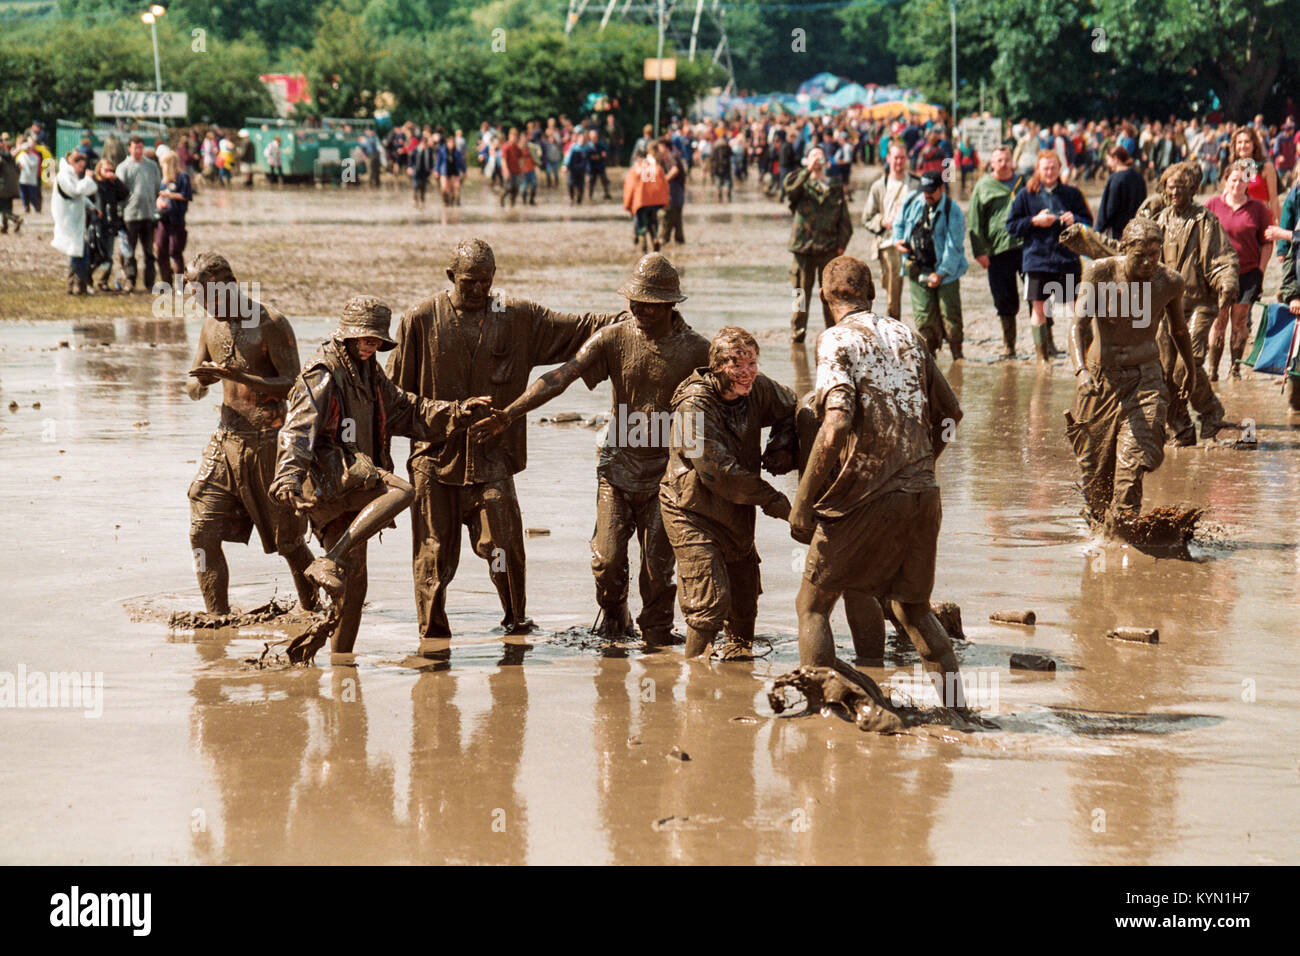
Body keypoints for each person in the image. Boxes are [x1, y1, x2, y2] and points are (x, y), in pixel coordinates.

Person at [386, 239, 621, 643]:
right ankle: (433, 638)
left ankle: (516, 627)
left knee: (505, 550)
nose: (478, 289)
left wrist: (636, 317)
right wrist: (386, 463)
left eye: (485, 281)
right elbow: (391, 401)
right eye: (468, 281)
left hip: (492, 459)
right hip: (432, 460)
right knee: (433, 555)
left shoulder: (516, 317)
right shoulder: (420, 320)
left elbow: (583, 328)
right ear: (449, 277)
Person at [470, 254, 709, 644]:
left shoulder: (697, 350)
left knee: (657, 570)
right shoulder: (614, 336)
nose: (636, 308)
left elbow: (738, 388)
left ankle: (657, 643)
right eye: (633, 300)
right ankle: (615, 617)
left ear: (669, 305)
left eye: (647, 302)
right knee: (608, 561)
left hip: (667, 476)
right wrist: (509, 415)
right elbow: (559, 377)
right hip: (617, 469)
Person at [271, 296, 491, 661]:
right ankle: (330, 564)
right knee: (402, 490)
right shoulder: (322, 372)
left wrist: (458, 411)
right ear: (348, 336)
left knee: (355, 582)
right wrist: (288, 477)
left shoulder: (370, 372)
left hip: (355, 479)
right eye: (367, 339)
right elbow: (297, 428)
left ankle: (340, 663)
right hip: (329, 480)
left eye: (377, 341)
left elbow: (408, 410)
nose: (372, 346)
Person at [789, 255, 967, 708]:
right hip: (923, 494)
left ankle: (825, 710)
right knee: (913, 609)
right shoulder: (908, 334)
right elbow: (951, 415)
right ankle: (959, 712)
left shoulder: (835, 340)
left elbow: (836, 423)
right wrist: (921, 462)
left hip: (865, 494)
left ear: (827, 297)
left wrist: (803, 502)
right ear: (872, 292)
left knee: (812, 605)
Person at [183, 252, 317, 617]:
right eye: (198, 300)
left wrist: (238, 377)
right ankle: (217, 619)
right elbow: (193, 389)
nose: (206, 307)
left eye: (210, 297)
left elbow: (294, 385)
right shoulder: (211, 327)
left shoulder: (271, 323)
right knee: (201, 532)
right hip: (225, 441)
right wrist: (202, 382)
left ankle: (314, 613)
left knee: (289, 541)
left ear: (229, 286)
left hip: (271, 444)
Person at [660, 326, 797, 658]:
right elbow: (717, 473)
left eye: (752, 363)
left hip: (735, 512)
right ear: (717, 366)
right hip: (690, 512)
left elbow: (793, 406)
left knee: (744, 602)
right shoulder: (693, 406)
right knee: (707, 604)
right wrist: (777, 502)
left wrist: (782, 446)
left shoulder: (757, 389)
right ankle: (695, 679)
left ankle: (739, 681)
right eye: (737, 364)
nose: (747, 373)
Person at [1065, 219, 1196, 528]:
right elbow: (1078, 327)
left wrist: (1190, 369)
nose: (1151, 262)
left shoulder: (1169, 281)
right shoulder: (1100, 272)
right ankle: (1100, 530)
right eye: (1143, 255)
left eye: (1156, 253)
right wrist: (1080, 371)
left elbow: (1178, 329)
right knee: (1093, 469)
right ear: (1124, 250)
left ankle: (1126, 526)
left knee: (1133, 456)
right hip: (1101, 378)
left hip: (1145, 377)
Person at [1138, 161, 1236, 444]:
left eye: (1180, 187)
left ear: (1192, 189)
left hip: (1199, 303)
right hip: (1166, 307)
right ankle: (1180, 426)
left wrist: (1226, 281)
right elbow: (1135, 258)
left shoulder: (1205, 220)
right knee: (1163, 370)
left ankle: (1210, 411)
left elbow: (1221, 259)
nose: (1174, 192)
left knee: (1188, 363)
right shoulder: (1159, 222)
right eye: (1170, 187)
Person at [1006, 150, 1092, 361]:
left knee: (1078, 307)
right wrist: (1034, 221)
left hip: (1068, 259)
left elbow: (1089, 223)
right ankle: (1042, 358)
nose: (1050, 172)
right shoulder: (1025, 195)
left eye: (1054, 167)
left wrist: (1075, 220)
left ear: (1060, 168)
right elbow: (1011, 226)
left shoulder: (1072, 194)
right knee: (1038, 307)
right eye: (1045, 168)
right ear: (1038, 169)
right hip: (1037, 260)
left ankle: (1085, 356)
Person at [1205, 160, 1272, 380]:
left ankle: (1235, 369)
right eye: (1233, 180)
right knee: (1219, 320)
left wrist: (1261, 271)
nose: (1236, 184)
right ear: (1226, 181)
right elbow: (1201, 239)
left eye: (1242, 180)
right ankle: (1213, 370)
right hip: (1220, 274)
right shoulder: (1212, 205)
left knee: (1240, 320)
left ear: (1247, 184)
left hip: (1249, 272)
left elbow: (1267, 242)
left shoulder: (1258, 208)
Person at [893, 169, 969, 359]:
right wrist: (898, 240)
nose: (927, 195)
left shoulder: (954, 210)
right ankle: (930, 357)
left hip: (947, 272)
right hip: (917, 268)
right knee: (924, 318)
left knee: (951, 317)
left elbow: (954, 247)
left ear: (942, 188)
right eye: (924, 190)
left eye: (931, 191)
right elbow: (899, 224)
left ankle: (957, 355)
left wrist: (941, 273)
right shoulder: (912, 200)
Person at [784, 147, 853, 342]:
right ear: (806, 160)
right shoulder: (799, 181)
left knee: (830, 294)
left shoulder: (834, 186)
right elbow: (790, 193)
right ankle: (797, 333)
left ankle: (833, 333)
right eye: (813, 155)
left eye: (820, 156)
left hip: (828, 249)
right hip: (803, 249)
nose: (817, 159)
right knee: (800, 295)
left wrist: (840, 246)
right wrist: (807, 170)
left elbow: (845, 221)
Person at [967, 145, 1026, 357]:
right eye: (999, 160)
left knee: (1038, 294)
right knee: (1004, 298)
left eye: (1007, 159)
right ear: (992, 164)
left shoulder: (1024, 183)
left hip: (1025, 247)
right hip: (997, 251)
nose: (1003, 163)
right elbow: (974, 222)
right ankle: (1009, 345)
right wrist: (979, 252)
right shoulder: (983, 186)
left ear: (1012, 161)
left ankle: (1047, 344)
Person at [860, 143, 917, 321]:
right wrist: (883, 222)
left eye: (902, 157)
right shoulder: (880, 186)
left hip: (915, 243)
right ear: (889, 159)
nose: (899, 161)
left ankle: (928, 330)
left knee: (922, 288)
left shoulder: (916, 183)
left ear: (906, 159)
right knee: (893, 292)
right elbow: (867, 217)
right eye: (895, 158)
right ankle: (895, 326)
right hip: (889, 243)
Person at [116, 135, 162, 293]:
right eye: (135, 147)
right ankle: (130, 280)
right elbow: (119, 192)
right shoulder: (124, 167)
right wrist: (120, 213)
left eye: (141, 147)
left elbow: (157, 188)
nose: (138, 150)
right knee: (129, 252)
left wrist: (156, 208)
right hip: (130, 215)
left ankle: (150, 282)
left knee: (149, 252)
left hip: (148, 214)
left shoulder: (151, 166)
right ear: (129, 148)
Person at [51, 151, 97, 294]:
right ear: (73, 163)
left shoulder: (71, 176)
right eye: (80, 167)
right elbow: (76, 192)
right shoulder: (63, 176)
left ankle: (75, 285)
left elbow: (80, 196)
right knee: (79, 252)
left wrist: (91, 206)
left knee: (78, 252)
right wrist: (88, 179)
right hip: (68, 220)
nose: (82, 170)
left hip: (75, 220)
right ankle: (77, 286)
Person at [88, 159, 128, 291]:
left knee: (108, 255)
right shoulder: (94, 184)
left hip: (110, 223)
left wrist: (116, 181)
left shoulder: (113, 184)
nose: (109, 173)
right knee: (96, 254)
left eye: (112, 170)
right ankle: (87, 278)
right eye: (106, 170)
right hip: (96, 224)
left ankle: (102, 281)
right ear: (99, 169)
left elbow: (124, 194)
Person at [154, 152, 192, 290]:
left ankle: (180, 283)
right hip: (163, 220)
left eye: (163, 163)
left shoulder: (183, 178)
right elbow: (160, 196)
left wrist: (171, 196)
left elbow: (186, 196)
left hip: (177, 220)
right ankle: (166, 282)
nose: (161, 166)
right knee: (160, 250)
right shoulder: (164, 181)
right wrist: (159, 202)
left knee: (175, 251)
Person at [1095, 145, 1146, 240]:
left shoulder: (1115, 179)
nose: (1107, 163)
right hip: (1137, 228)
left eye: (1108, 160)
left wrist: (1098, 230)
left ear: (1115, 159)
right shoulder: (1139, 177)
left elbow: (1109, 209)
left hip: (1119, 230)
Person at [623, 149, 669, 253]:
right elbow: (665, 185)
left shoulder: (635, 170)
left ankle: (643, 249)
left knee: (642, 226)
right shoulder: (657, 168)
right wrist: (665, 201)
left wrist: (627, 205)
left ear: (638, 158)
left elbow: (629, 188)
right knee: (653, 222)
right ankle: (655, 239)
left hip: (641, 203)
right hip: (655, 202)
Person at [659, 141, 686, 245]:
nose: (659, 150)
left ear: (665, 147)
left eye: (660, 147)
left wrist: (664, 180)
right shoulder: (671, 155)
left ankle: (665, 238)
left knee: (669, 213)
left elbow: (675, 170)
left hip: (675, 190)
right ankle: (679, 239)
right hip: (678, 190)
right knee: (677, 216)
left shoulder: (671, 156)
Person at [0, 137, 21, 234]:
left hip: (2, 186)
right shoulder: (10, 155)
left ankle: (15, 219)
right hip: (12, 186)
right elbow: (18, 169)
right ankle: (5, 228)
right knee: (7, 206)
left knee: (2, 208)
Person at [17, 137, 42, 214]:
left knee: (33, 195)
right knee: (24, 195)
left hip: (31, 179)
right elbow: (18, 165)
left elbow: (33, 165)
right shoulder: (21, 156)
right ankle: (26, 207)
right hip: (23, 179)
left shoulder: (35, 157)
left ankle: (37, 207)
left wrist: (26, 160)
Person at [586, 128, 611, 201]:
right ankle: (590, 196)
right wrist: (599, 155)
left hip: (600, 166)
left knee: (605, 181)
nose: (595, 138)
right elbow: (590, 157)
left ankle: (607, 194)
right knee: (591, 183)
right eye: (594, 137)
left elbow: (605, 152)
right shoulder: (588, 146)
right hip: (592, 168)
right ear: (590, 137)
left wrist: (604, 154)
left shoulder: (601, 144)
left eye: (596, 137)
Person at [710, 131, 733, 202]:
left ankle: (719, 196)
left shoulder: (715, 144)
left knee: (718, 182)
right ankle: (727, 194)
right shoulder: (726, 144)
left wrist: (712, 169)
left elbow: (712, 157)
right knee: (728, 181)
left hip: (717, 167)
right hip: (726, 166)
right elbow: (731, 154)